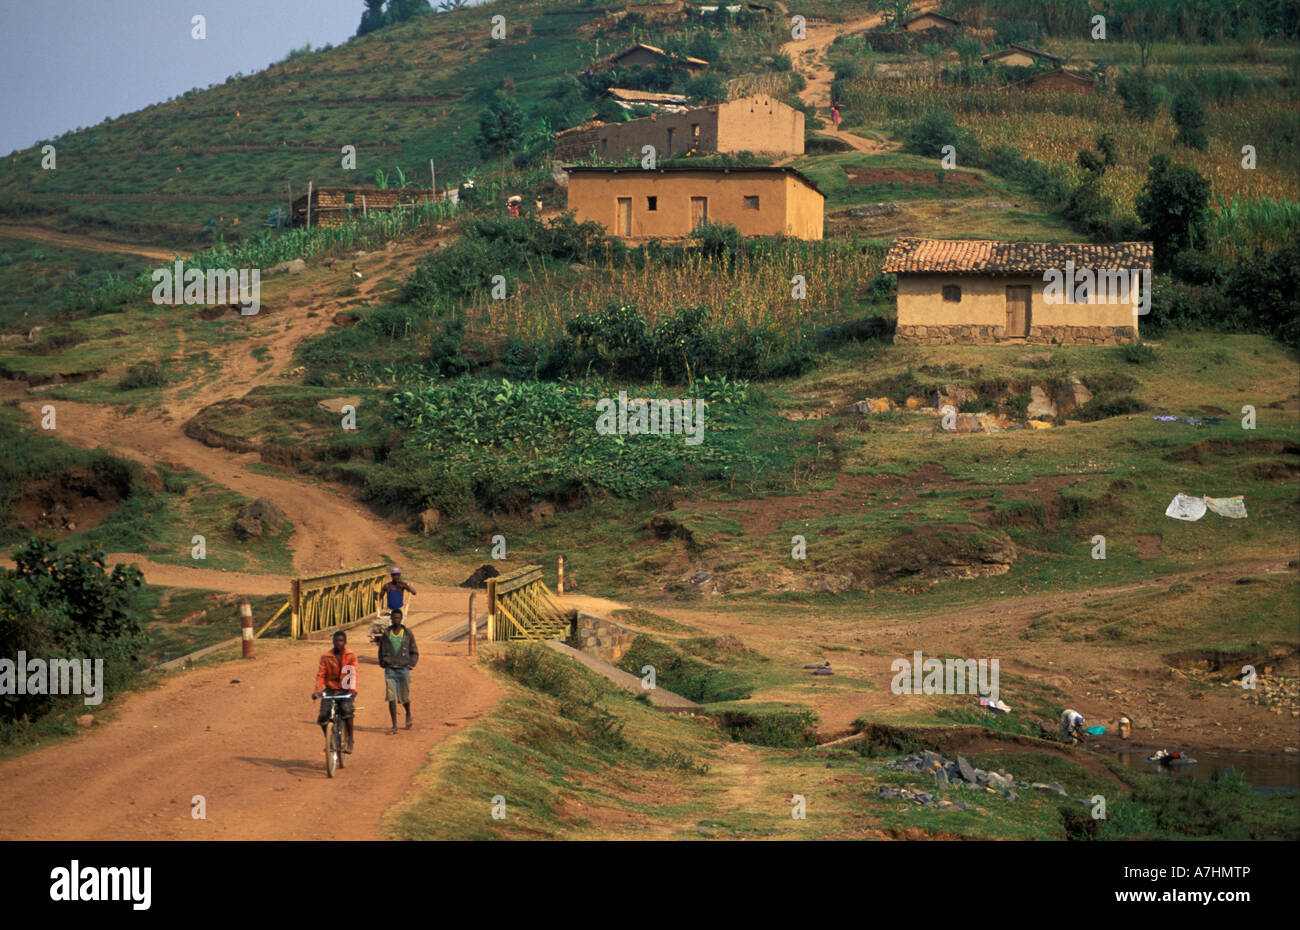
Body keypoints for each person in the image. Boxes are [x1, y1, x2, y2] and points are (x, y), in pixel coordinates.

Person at [313, 631, 357, 752]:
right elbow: (321, 674)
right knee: (323, 716)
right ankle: (329, 740)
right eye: (336, 641)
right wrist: (317, 691)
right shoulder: (326, 657)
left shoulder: (350, 655)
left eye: (341, 641)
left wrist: (352, 690)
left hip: (345, 689)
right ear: (333, 642)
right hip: (330, 689)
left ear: (345, 642)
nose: (338, 643)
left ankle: (350, 740)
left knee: (347, 710)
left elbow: (353, 673)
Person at [378, 607, 419, 734]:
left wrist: (411, 664)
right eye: (394, 618)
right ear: (391, 619)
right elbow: (380, 650)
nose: (396, 620)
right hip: (390, 669)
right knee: (391, 698)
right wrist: (383, 662)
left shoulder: (407, 634)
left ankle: (408, 713)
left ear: (401, 619)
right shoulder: (386, 634)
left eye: (398, 618)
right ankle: (394, 725)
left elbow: (414, 651)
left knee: (404, 697)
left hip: (403, 669)